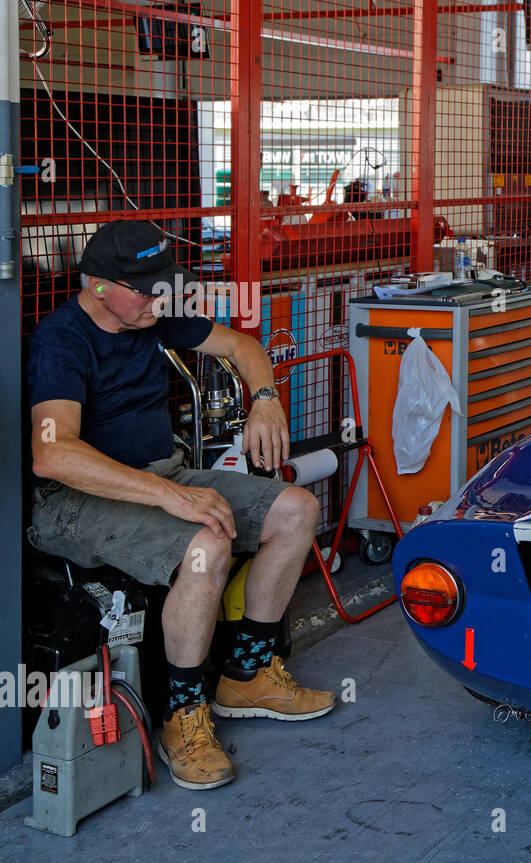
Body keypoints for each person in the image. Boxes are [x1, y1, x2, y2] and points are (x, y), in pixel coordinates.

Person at [26, 220, 336, 791]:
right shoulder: (61, 340)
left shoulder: (152, 313)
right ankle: (182, 715)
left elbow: (241, 344)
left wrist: (265, 398)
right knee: (206, 545)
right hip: (76, 502)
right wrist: (173, 496)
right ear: (97, 285)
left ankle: (247, 672)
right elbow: (52, 454)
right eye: (144, 289)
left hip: (163, 474)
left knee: (296, 509)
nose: (158, 299)